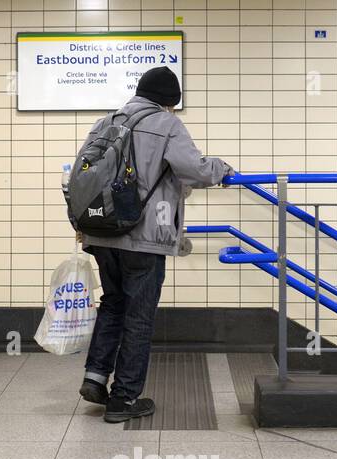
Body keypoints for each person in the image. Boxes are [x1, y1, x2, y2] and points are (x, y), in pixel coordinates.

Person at [75, 67, 233, 422]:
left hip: (101, 232)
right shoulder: (166, 125)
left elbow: (81, 173)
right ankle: (125, 399)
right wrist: (222, 168)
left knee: (113, 303)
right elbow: (193, 169)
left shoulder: (107, 122)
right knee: (139, 316)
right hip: (144, 237)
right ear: (169, 102)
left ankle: (95, 377)